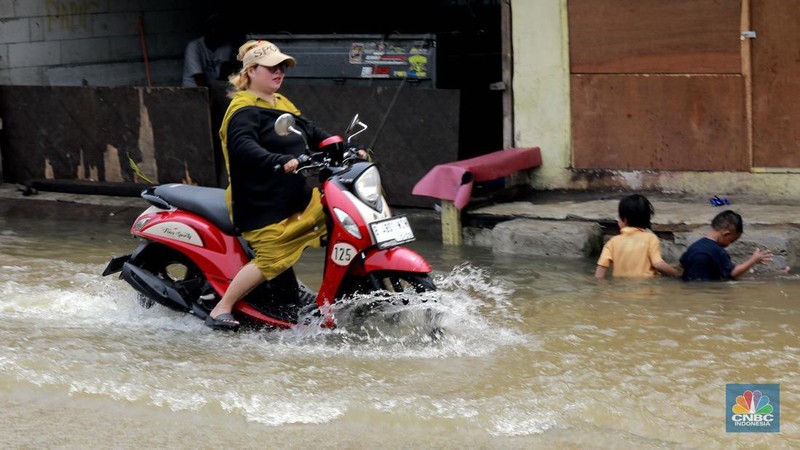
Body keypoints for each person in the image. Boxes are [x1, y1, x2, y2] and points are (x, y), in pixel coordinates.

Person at [205, 40, 365, 330]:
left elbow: (311, 131)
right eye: (272, 68)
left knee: (344, 221)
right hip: (261, 204)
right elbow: (243, 148)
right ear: (251, 71)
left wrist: (343, 147)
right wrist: (279, 160)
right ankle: (221, 307)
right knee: (271, 258)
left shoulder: (281, 103)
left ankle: (340, 295)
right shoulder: (242, 110)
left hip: (294, 196)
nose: (279, 72)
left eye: (282, 67)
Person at [595, 194, 680, 278]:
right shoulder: (650, 238)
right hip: (646, 290)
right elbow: (658, 264)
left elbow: (599, 274)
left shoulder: (612, 242)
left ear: (624, 220)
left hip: (620, 290)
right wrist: (677, 275)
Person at [679, 210, 773, 281]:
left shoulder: (694, 246)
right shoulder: (717, 251)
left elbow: (682, 265)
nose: (728, 245)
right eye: (731, 241)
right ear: (726, 234)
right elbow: (733, 273)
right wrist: (753, 260)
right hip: (707, 291)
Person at [181, 13, 234, 88]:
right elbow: (199, 80)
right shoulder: (194, 46)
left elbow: (224, 75)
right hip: (193, 90)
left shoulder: (226, 46)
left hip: (213, 88)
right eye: (211, 29)